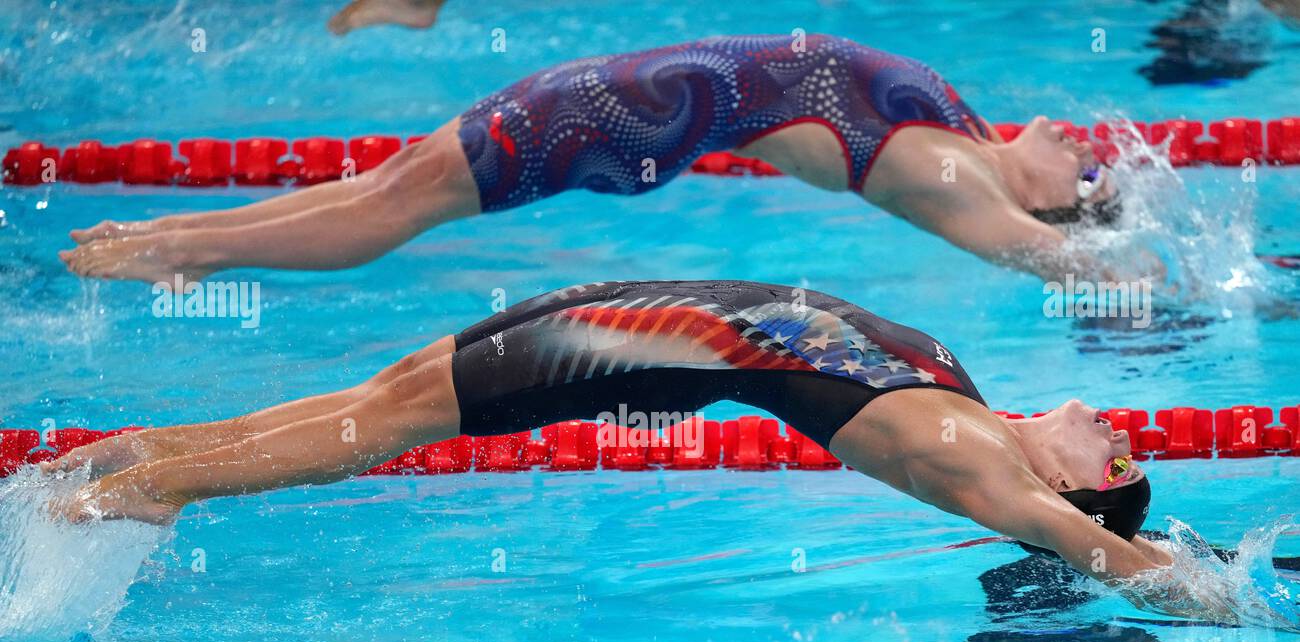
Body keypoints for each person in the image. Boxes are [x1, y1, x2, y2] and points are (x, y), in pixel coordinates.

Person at [45, 279, 1216, 620]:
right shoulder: (975, 409)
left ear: (1084, 481)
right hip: (645, 309)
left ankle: (140, 493)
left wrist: (1224, 592)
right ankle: (116, 467)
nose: (1114, 426)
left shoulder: (995, 475)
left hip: (623, 347)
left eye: (1118, 448)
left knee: (386, 418)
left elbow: (1108, 559)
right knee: (385, 391)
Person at [60, 35, 1121, 285]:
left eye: (1091, 178)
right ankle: (175, 240)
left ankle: (178, 245)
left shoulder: (949, 180)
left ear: (1058, 203)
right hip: (611, 92)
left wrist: (1146, 263)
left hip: (615, 124)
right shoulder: (972, 129)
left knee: (398, 200)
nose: (1089, 152)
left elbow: (1049, 260)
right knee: (391, 185)